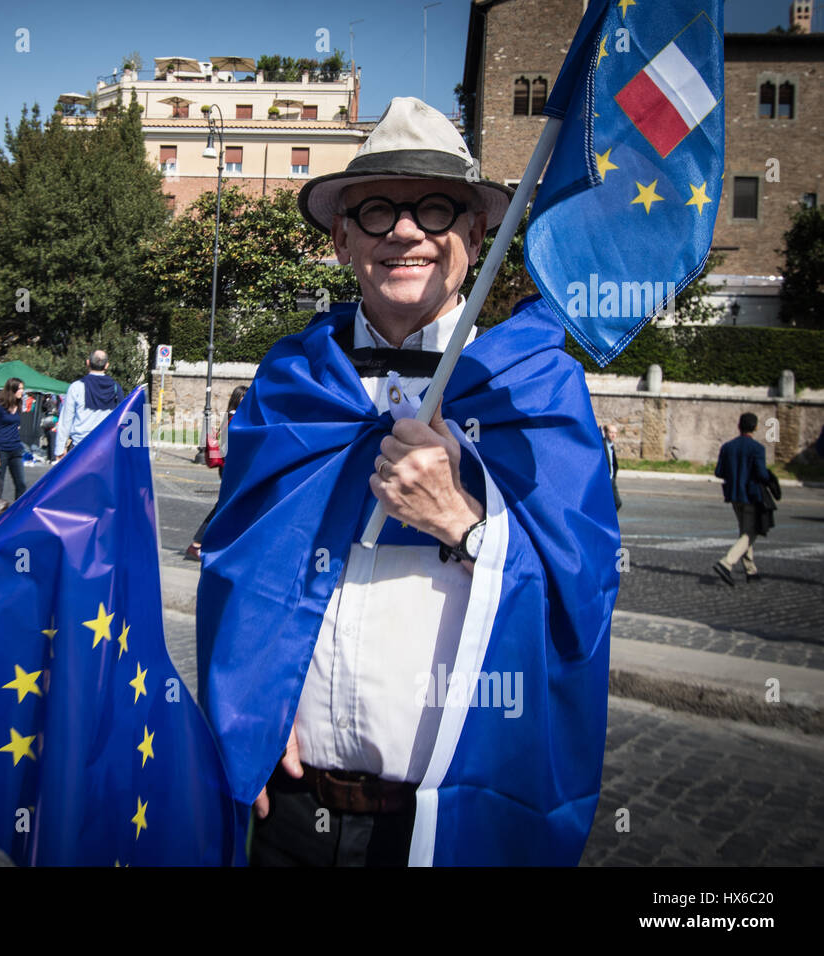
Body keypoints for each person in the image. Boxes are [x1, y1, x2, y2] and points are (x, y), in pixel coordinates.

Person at [195, 98, 620, 866]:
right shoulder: (289, 382)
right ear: (341, 237)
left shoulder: (537, 387)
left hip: (448, 812)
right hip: (294, 806)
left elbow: (582, 587)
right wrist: (249, 704)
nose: (405, 229)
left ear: (475, 234)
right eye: (377, 210)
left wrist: (466, 523)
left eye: (434, 208)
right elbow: (238, 566)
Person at [186, 385, 249, 560]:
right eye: (245, 398)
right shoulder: (235, 418)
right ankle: (197, 544)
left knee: (229, 507)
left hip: (231, 468)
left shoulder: (233, 418)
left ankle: (213, 544)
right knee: (223, 508)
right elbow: (232, 445)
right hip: (232, 468)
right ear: (238, 399)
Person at [712, 412, 774, 585]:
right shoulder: (758, 449)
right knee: (751, 532)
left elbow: (718, 472)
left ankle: (751, 570)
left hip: (733, 495)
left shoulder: (727, 447)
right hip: (751, 496)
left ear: (739, 426)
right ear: (755, 428)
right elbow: (762, 474)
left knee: (744, 531)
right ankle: (726, 563)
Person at [54, 350, 120, 457]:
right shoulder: (115, 388)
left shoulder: (76, 387)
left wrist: (60, 449)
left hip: (80, 447)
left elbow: (66, 419)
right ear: (107, 365)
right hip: (105, 448)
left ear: (88, 363)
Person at [0, 377, 27, 504]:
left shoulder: (18, 406)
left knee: (21, 484)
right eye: (20, 389)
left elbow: (15, 425)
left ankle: (17, 513)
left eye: (22, 388)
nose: (22, 391)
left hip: (15, 449)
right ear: (12, 390)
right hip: (1, 450)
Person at [602, 423, 622, 511]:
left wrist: (613, 477)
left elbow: (614, 464)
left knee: (617, 503)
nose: (613, 435)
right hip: (604, 480)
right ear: (606, 433)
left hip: (611, 479)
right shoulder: (601, 445)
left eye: (615, 433)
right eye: (611, 432)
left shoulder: (611, 446)